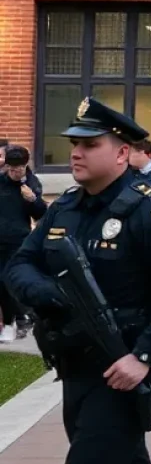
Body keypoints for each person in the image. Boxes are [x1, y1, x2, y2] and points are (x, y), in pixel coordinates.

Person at [6, 97, 151, 464]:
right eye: (73, 144)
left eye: (90, 144)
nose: (76, 153)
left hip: (122, 375)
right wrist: (54, 296)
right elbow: (19, 265)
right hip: (76, 369)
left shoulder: (150, 211)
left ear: (120, 154)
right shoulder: (66, 208)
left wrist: (145, 356)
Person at [0, 146, 48, 343]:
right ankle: (21, 318)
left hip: (17, 241)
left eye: (18, 168)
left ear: (25, 165)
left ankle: (16, 321)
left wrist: (33, 200)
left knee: (8, 280)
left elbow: (41, 215)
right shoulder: (1, 182)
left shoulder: (31, 184)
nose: (14, 172)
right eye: (11, 168)